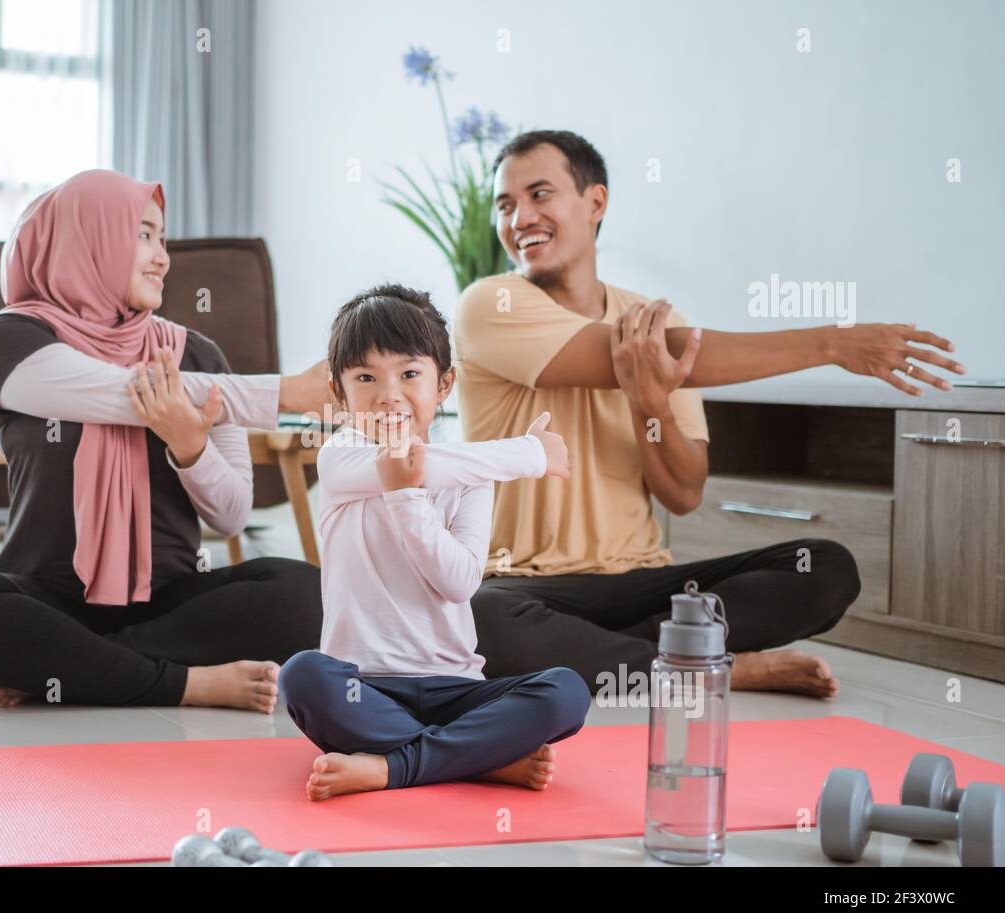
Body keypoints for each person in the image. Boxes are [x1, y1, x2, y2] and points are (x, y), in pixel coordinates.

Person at [457, 130, 966, 698]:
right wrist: (831, 344)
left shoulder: (652, 318)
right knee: (480, 619)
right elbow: (660, 354)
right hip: (526, 585)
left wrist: (652, 409)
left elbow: (683, 494)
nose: (519, 217)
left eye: (539, 194)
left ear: (595, 202)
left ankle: (626, 656)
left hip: (640, 580)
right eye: (506, 205)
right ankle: (699, 662)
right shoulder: (490, 304)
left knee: (824, 567)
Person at [0, 170, 329, 711]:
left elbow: (230, 514)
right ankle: (187, 683)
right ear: (89, 240)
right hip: (46, 599)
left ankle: (66, 668)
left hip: (171, 605)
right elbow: (121, 391)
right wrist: (286, 393)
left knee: (309, 594)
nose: (163, 257)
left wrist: (189, 448)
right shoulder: (11, 337)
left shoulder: (198, 355)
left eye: (162, 238)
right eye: (144, 235)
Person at [279, 285, 590, 801]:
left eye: (409, 374)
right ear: (338, 393)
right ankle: (480, 761)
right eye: (364, 378)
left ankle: (390, 766)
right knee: (302, 677)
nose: (388, 394)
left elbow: (457, 582)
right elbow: (428, 464)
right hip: (362, 688)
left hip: (455, 689)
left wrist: (406, 499)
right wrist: (529, 454)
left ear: (443, 384)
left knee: (567, 692)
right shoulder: (339, 458)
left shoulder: (470, 477)